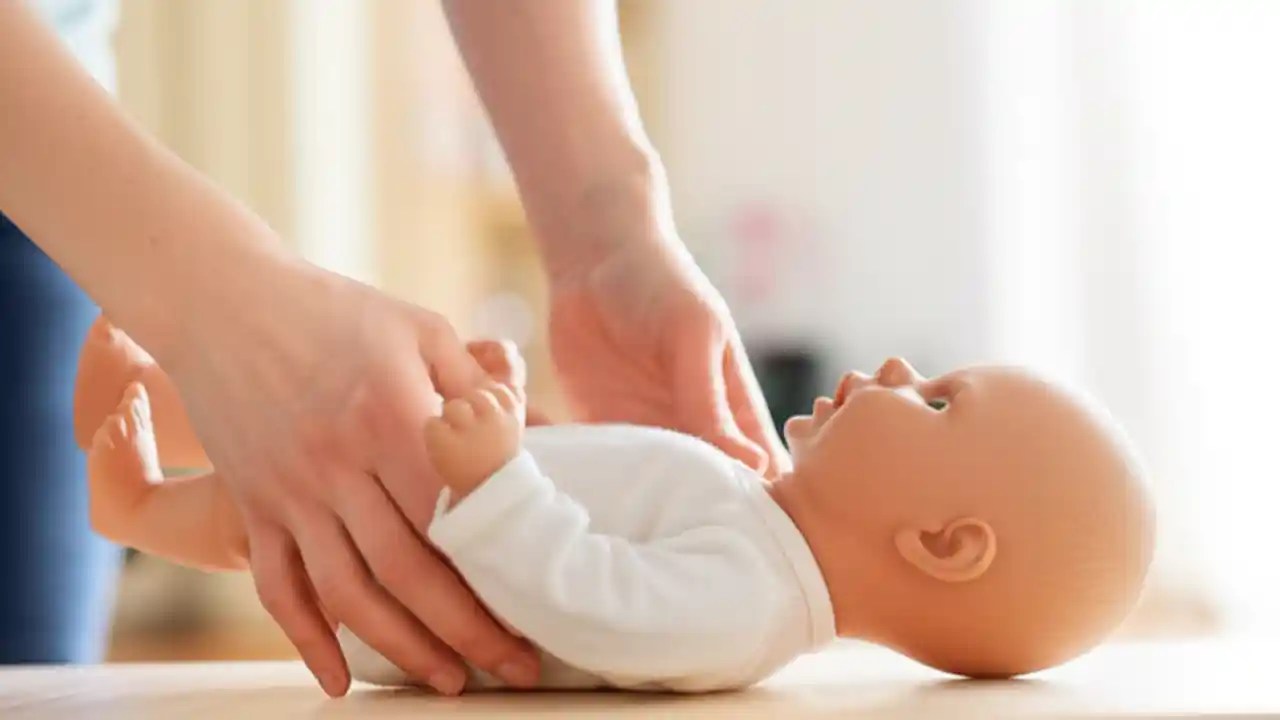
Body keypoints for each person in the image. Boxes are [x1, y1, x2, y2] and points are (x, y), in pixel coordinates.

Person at [0, 0, 786, 697]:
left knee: (314, 496)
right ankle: (140, 429)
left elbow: (589, 596)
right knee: (326, 449)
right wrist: (214, 301)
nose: (858, 382)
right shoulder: (752, 552)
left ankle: (138, 480)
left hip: (45, 133)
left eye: (907, 400)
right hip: (51, 142)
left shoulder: (751, 594)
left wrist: (607, 232)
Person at [78, 334, 1154, 692]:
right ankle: (163, 411)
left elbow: (596, 605)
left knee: (277, 515)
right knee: (352, 424)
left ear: (941, 545)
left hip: (408, 584)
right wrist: (527, 436)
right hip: (444, 520)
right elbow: (608, 506)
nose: (895, 368)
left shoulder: (747, 606)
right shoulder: (756, 526)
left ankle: (137, 504)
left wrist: (501, 484)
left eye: (935, 401)